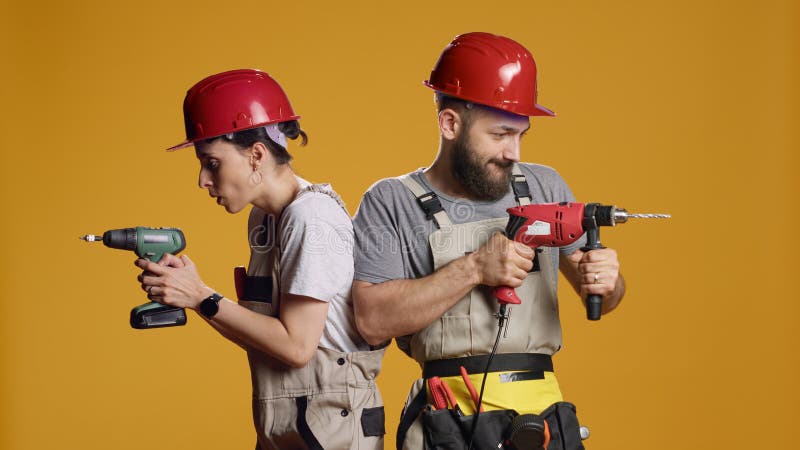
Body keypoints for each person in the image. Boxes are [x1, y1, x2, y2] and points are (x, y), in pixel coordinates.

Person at [351, 33, 626, 450]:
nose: (513, 151)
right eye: (499, 134)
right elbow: (371, 321)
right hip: (449, 420)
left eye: (521, 135)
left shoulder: (544, 186)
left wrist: (609, 282)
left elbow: (604, 299)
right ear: (450, 123)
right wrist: (474, 268)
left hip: (540, 416)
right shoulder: (391, 202)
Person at [136, 69, 386, 450]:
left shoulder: (311, 217)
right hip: (288, 422)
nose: (202, 179)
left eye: (212, 162)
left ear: (256, 155)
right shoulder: (265, 218)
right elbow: (266, 338)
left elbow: (297, 348)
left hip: (331, 427)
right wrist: (194, 297)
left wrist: (203, 296)